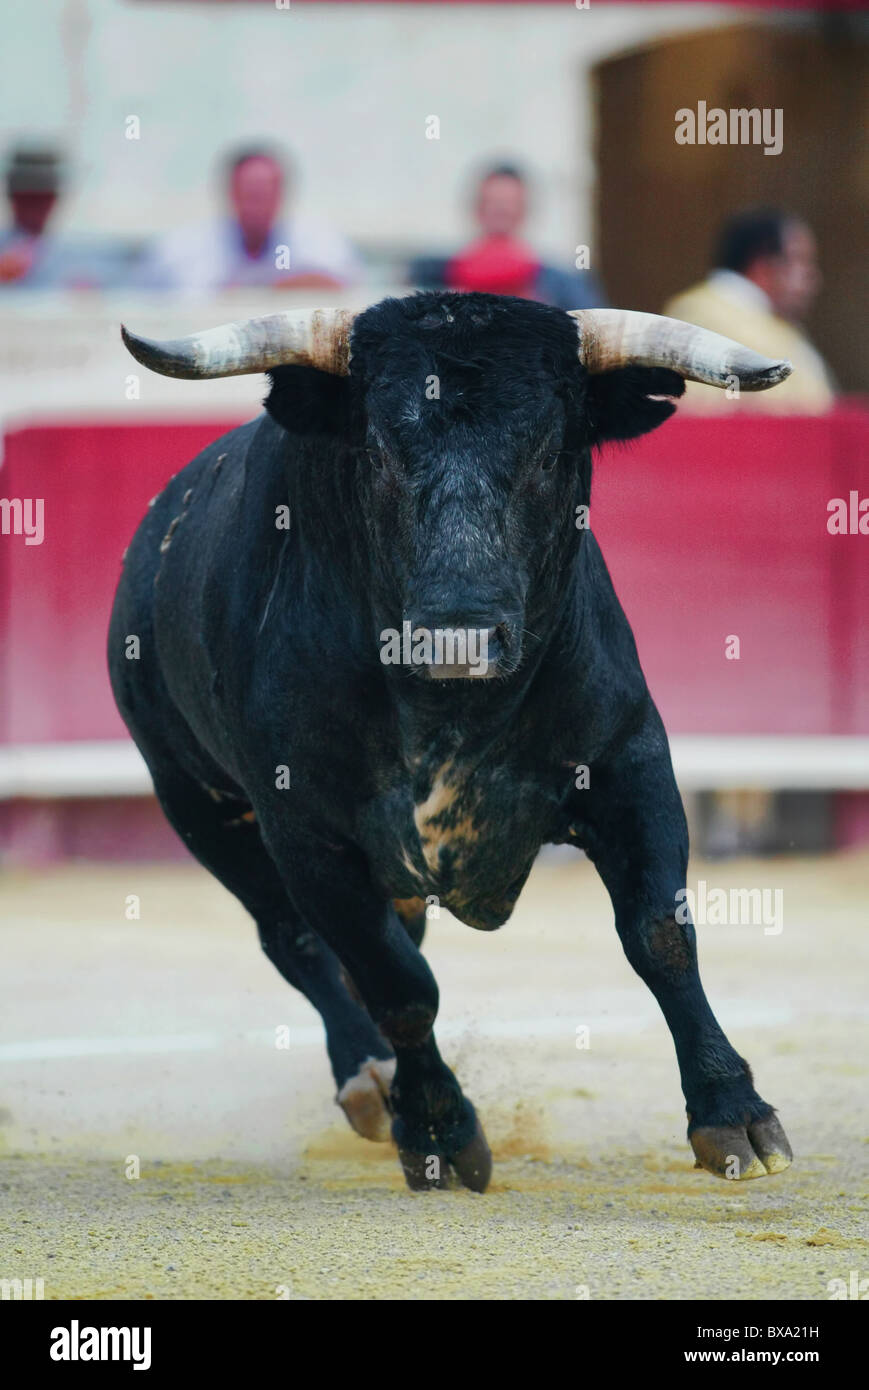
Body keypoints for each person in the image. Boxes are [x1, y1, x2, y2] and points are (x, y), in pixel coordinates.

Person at [664, 209, 834, 412]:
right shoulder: (702, 314)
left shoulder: (772, 323)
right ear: (762, 264)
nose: (812, 277)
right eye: (800, 260)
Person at [135, 145, 361, 293]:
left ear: (282, 194)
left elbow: (340, 286)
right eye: (251, 194)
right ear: (231, 193)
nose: (258, 205)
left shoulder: (320, 239)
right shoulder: (180, 248)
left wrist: (253, 288)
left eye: (266, 194)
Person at [410, 163, 603, 309]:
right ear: (476, 209)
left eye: (509, 204)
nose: (501, 211)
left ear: (525, 211)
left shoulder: (564, 286)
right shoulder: (435, 276)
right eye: (493, 203)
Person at [0, 147, 124, 290]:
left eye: (43, 197)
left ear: (54, 198)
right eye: (27, 197)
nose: (35, 205)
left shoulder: (77, 251)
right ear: (13, 197)